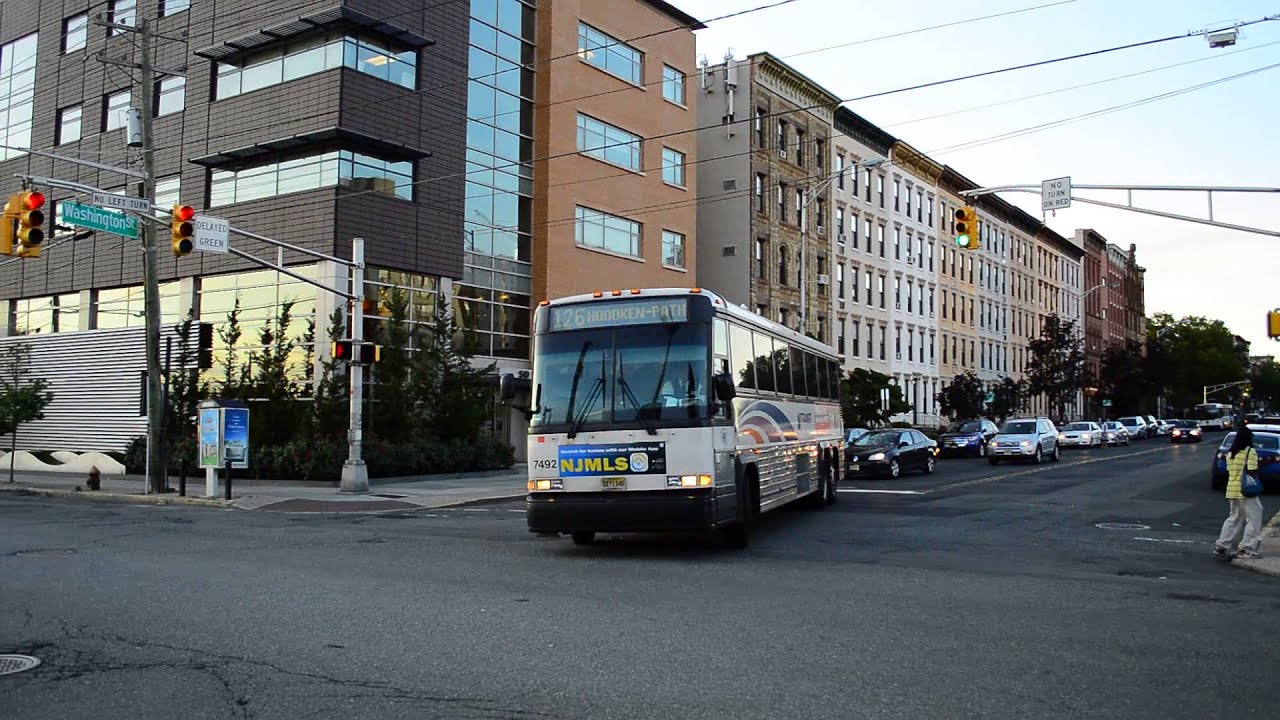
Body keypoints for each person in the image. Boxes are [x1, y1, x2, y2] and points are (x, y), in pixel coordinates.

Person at [1214, 425, 1264, 559]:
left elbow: (1229, 470)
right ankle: (1247, 547)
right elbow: (1252, 471)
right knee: (1254, 517)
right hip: (1245, 490)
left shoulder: (1231, 453)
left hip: (1232, 489)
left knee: (1234, 517)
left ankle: (1223, 544)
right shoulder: (1250, 452)